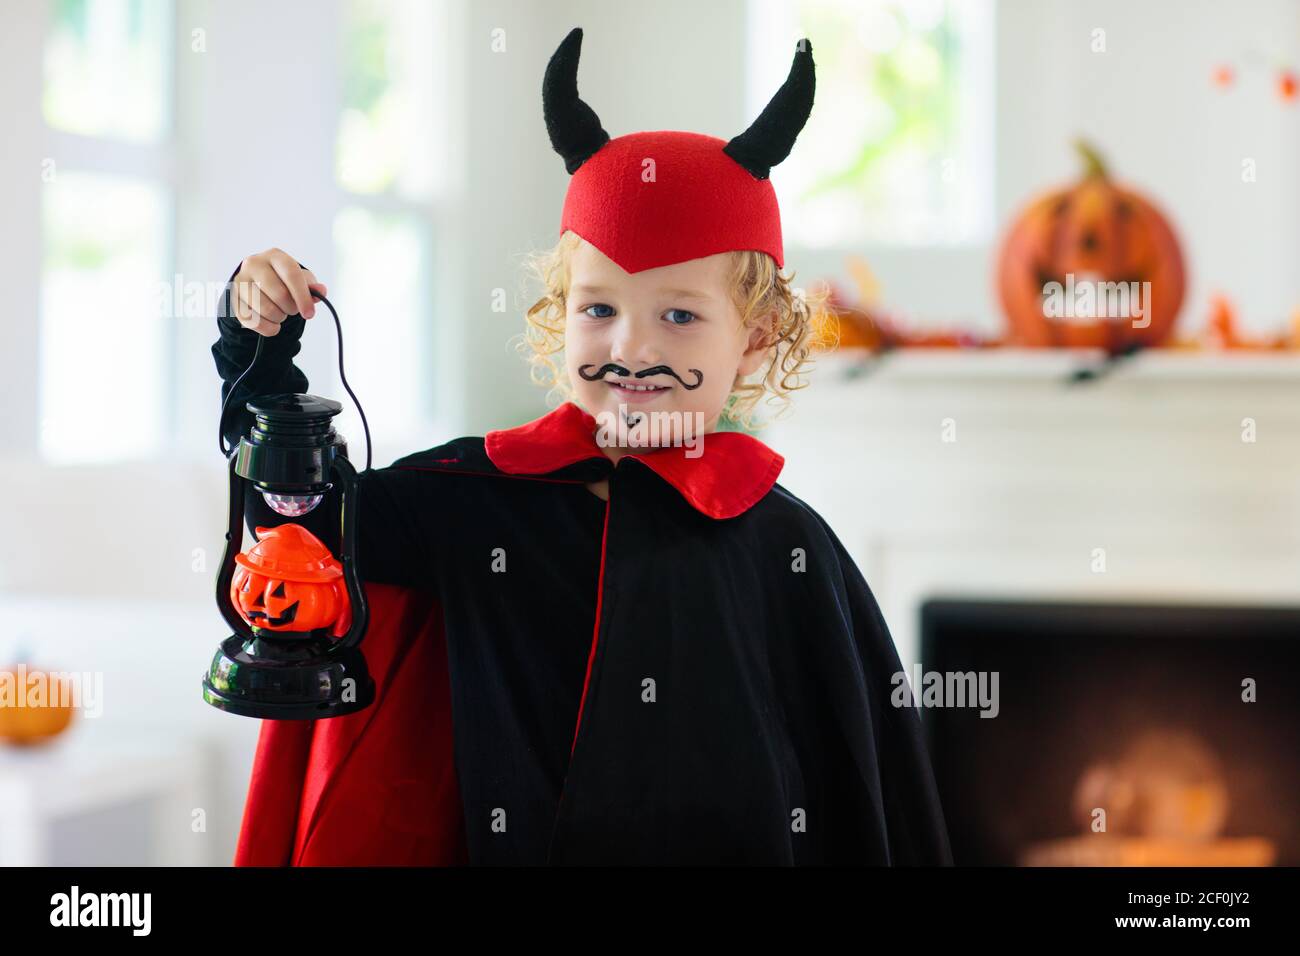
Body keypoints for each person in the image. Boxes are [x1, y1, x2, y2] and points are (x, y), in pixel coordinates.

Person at [212, 27, 953, 866]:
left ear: (757, 338)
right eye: (598, 308)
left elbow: (863, 799)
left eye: (679, 314)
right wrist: (260, 352)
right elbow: (297, 520)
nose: (630, 348)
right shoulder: (468, 497)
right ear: (558, 315)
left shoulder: (790, 551)